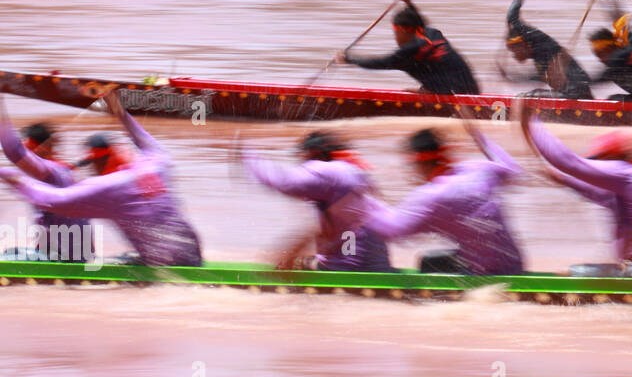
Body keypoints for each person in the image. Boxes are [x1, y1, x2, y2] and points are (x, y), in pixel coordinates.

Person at [0, 90, 201, 267]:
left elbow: (16, 154)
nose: (94, 169)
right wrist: (118, 109)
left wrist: (11, 177)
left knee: (7, 255)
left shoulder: (105, 187)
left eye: (97, 162)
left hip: (62, 260)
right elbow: (144, 139)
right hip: (192, 256)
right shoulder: (158, 163)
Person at [518, 102, 632, 276]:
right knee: (571, 273)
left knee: (567, 275)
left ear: (611, 158)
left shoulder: (623, 172)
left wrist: (532, 123)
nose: (598, 167)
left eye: (599, 161)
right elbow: (585, 185)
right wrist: (562, 179)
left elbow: (567, 162)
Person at [362, 120, 525, 275]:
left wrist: (359, 199)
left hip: (485, 275)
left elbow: (392, 231)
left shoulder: (432, 195)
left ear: (421, 164)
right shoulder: (479, 169)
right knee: (431, 260)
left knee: (428, 265)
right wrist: (479, 136)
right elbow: (513, 168)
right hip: (514, 264)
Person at [240, 131, 391, 272]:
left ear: (313, 153)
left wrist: (247, 155)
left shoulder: (326, 172)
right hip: (377, 263)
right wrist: (291, 256)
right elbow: (317, 229)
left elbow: (282, 181)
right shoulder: (356, 173)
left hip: (348, 265)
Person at [0, 97, 93, 261]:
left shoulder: (49, 172)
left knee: (8, 256)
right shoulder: (65, 172)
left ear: (43, 148)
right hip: (80, 254)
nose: (26, 160)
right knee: (10, 252)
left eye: (28, 151)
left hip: (65, 257)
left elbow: (13, 150)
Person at [340, 0, 479, 94]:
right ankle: (430, 90)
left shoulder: (409, 52)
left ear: (404, 31)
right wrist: (409, 3)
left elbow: (379, 63)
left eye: (395, 33)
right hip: (472, 89)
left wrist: (348, 59)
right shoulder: (433, 33)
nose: (395, 38)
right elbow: (420, 22)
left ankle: (432, 92)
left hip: (456, 95)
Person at [502, 0, 593, 99]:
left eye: (514, 51)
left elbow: (512, 19)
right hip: (573, 93)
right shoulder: (539, 58)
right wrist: (512, 78)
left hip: (574, 94)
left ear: (524, 44)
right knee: (532, 94)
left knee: (528, 97)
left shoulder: (541, 42)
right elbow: (535, 78)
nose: (514, 56)